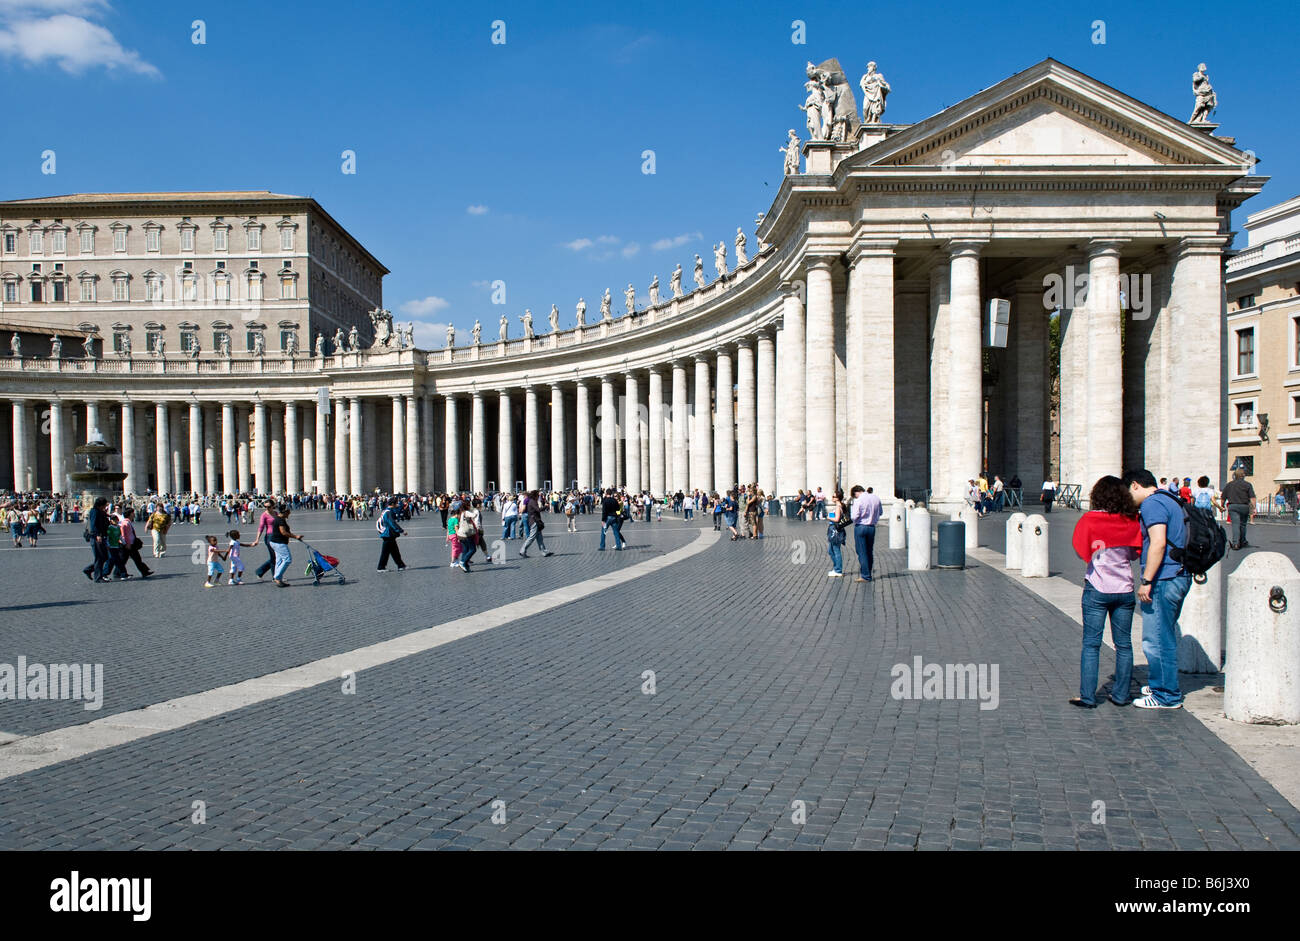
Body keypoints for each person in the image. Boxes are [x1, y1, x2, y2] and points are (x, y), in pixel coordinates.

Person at [1068, 476, 1142, 708]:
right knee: (1124, 645)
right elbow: (1134, 554)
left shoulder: (1089, 520)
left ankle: (1088, 697)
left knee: (1091, 644)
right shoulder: (1131, 520)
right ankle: (1121, 696)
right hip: (1124, 589)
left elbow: (1081, 551)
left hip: (1097, 588)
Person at [1125, 469, 1191, 709]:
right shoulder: (1170, 499)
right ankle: (1160, 683)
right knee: (1164, 635)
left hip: (1164, 578)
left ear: (1134, 485)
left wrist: (1147, 580)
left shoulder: (1152, 504)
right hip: (1179, 574)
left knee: (1157, 640)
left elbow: (1158, 542)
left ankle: (1166, 695)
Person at [850, 485, 884, 582]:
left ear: (856, 492)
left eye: (854, 495)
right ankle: (868, 572)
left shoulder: (859, 500)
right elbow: (881, 512)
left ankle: (865, 575)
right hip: (872, 527)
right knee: (869, 551)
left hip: (860, 527)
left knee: (861, 552)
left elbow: (854, 516)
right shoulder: (876, 498)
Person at [1220, 467, 1256, 550]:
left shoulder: (1229, 485)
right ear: (1243, 476)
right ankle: (1243, 541)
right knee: (1243, 524)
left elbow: (1223, 497)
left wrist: (1222, 506)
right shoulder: (1247, 484)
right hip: (1244, 506)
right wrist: (1254, 508)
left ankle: (1236, 543)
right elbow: (1252, 498)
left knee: (1235, 525)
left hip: (1233, 506)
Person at [268, 506, 304, 587]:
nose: (289, 514)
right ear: (284, 512)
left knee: (279, 560)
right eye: (288, 513)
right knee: (287, 559)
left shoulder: (278, 518)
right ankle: (277, 577)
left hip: (274, 542)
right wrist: (295, 536)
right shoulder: (280, 520)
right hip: (279, 543)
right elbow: (283, 532)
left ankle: (278, 578)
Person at [82, 496, 112, 582]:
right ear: (100, 504)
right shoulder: (94, 511)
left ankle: (89, 569)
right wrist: (97, 535)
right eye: (104, 505)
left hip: (101, 536)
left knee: (104, 556)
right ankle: (98, 577)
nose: (105, 506)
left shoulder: (99, 511)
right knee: (99, 557)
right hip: (96, 538)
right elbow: (93, 524)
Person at [119, 507, 153, 577]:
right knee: (125, 560)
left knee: (136, 559)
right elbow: (123, 535)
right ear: (129, 514)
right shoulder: (125, 523)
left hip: (130, 544)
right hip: (128, 544)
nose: (134, 514)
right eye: (132, 513)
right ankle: (118, 573)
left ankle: (144, 571)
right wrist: (127, 544)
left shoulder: (128, 522)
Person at [376, 498, 407, 572]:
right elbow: (392, 523)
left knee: (395, 551)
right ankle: (381, 567)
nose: (397, 504)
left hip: (388, 534)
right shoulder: (389, 512)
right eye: (396, 503)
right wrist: (401, 531)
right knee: (385, 553)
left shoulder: (385, 510)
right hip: (388, 534)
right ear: (393, 504)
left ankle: (401, 565)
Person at [520, 490, 553, 558]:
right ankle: (522, 550)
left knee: (540, 538)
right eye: (538, 495)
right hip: (534, 521)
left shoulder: (531, 501)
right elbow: (538, 509)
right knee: (531, 537)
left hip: (535, 521)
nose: (538, 497)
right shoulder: (532, 501)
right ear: (535, 495)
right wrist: (545, 506)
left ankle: (544, 552)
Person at [826, 487, 849, 577]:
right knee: (831, 550)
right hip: (835, 530)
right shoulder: (840, 506)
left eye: (833, 496)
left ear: (837, 498)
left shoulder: (838, 507)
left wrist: (828, 517)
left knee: (835, 550)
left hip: (836, 530)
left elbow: (837, 519)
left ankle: (838, 570)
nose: (832, 498)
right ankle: (836, 568)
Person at [254, 501, 279, 578]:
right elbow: (261, 527)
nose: (267, 508)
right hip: (270, 537)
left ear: (273, 506)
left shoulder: (276, 513)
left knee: (276, 557)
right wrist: (257, 539)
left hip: (277, 536)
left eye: (268, 506)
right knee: (274, 557)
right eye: (265, 507)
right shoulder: (264, 515)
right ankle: (275, 576)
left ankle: (260, 571)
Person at [454, 501, 481, 571]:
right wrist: (475, 510)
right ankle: (462, 562)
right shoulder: (466, 512)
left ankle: (465, 566)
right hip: (466, 534)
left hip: (460, 534)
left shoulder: (460, 513)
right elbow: (474, 515)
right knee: (472, 549)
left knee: (465, 550)